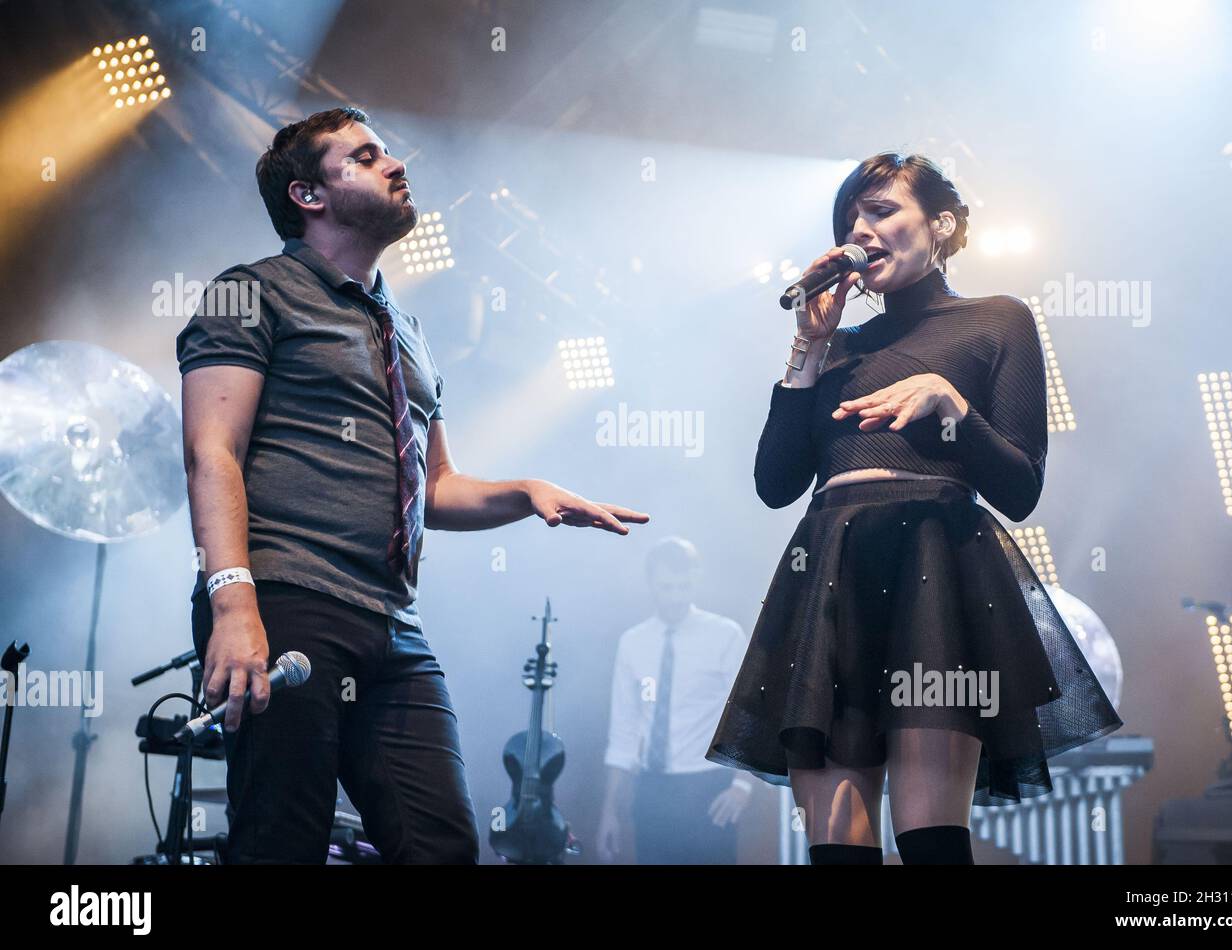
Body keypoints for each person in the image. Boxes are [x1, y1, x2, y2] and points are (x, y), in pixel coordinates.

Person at [177, 106, 649, 864]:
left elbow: (436, 490)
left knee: (442, 844)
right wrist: (232, 602)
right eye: (366, 157)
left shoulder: (406, 329)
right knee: (281, 839)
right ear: (310, 195)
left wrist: (526, 491)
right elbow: (212, 451)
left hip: (393, 623)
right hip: (286, 597)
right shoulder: (251, 292)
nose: (396, 164)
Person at [706, 153, 1122, 865]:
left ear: (942, 224)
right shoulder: (835, 348)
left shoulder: (997, 321)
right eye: (848, 219)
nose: (859, 229)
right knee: (838, 846)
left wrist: (951, 405)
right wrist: (806, 347)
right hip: (832, 574)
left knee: (930, 839)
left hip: (935, 567)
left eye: (880, 211)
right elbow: (775, 483)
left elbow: (1021, 487)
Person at [597, 537, 753, 864]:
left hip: (708, 787)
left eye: (684, 587)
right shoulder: (633, 643)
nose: (676, 597)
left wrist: (742, 784)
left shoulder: (725, 635)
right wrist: (610, 813)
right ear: (651, 584)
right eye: (667, 587)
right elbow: (623, 731)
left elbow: (747, 712)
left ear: (695, 581)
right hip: (651, 790)